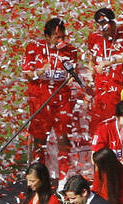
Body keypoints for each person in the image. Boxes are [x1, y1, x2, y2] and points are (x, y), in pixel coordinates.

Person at [22, 17, 84, 173]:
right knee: (39, 140)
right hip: (40, 100)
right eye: (57, 37)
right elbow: (28, 74)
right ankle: (39, 173)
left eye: (63, 37)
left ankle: (64, 176)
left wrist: (71, 78)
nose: (61, 41)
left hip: (62, 99)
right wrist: (42, 70)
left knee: (63, 138)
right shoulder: (33, 48)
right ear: (47, 37)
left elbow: (72, 72)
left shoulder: (71, 51)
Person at [86, 8, 123, 134]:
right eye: (100, 27)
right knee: (98, 131)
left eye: (106, 27)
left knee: (121, 132)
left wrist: (110, 61)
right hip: (101, 91)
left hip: (122, 91)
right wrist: (89, 86)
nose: (103, 31)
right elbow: (91, 62)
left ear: (114, 23)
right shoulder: (94, 37)